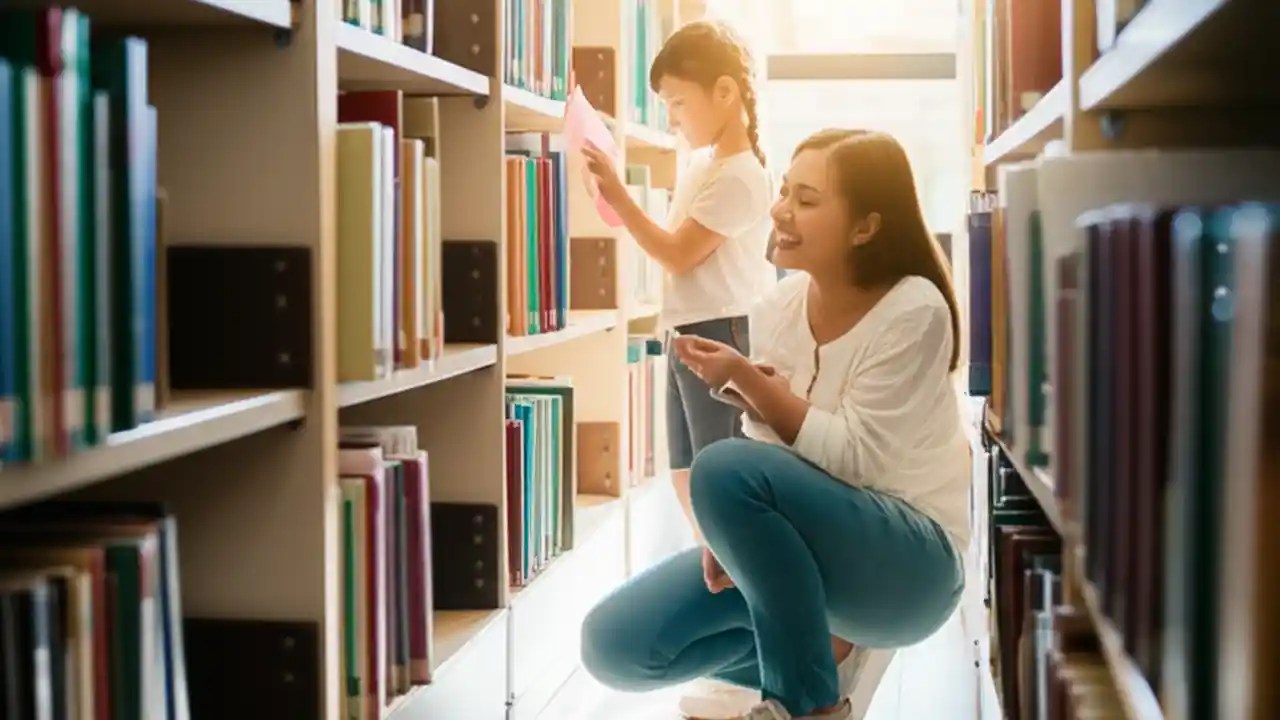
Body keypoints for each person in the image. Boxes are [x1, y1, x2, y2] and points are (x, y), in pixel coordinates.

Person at [579, 129, 970, 720]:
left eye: (807, 200)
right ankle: (819, 653)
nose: (780, 210)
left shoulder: (914, 309)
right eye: (785, 190)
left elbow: (856, 461)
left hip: (909, 568)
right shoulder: (779, 309)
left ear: (865, 227)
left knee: (722, 468)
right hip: (806, 555)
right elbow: (765, 446)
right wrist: (726, 530)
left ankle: (805, 705)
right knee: (615, 645)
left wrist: (753, 384)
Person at [582, 21, 776, 567]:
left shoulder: (740, 177)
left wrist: (620, 198)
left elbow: (676, 253)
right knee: (684, 470)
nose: (672, 117)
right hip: (688, 330)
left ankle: (738, 575)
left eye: (677, 102)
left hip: (721, 332)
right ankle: (719, 567)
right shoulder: (702, 167)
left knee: (715, 474)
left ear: (725, 92)